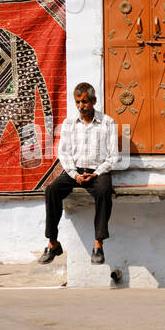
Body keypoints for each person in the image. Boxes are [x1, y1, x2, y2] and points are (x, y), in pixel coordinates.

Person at [38, 82, 123, 266]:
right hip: (74, 171)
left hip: (98, 172)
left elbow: (113, 156)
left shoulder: (108, 123)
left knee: (103, 191)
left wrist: (96, 173)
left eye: (84, 102)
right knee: (52, 190)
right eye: (77, 102)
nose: (80, 106)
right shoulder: (69, 124)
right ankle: (52, 242)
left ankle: (98, 244)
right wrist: (74, 173)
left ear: (94, 101)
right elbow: (64, 152)